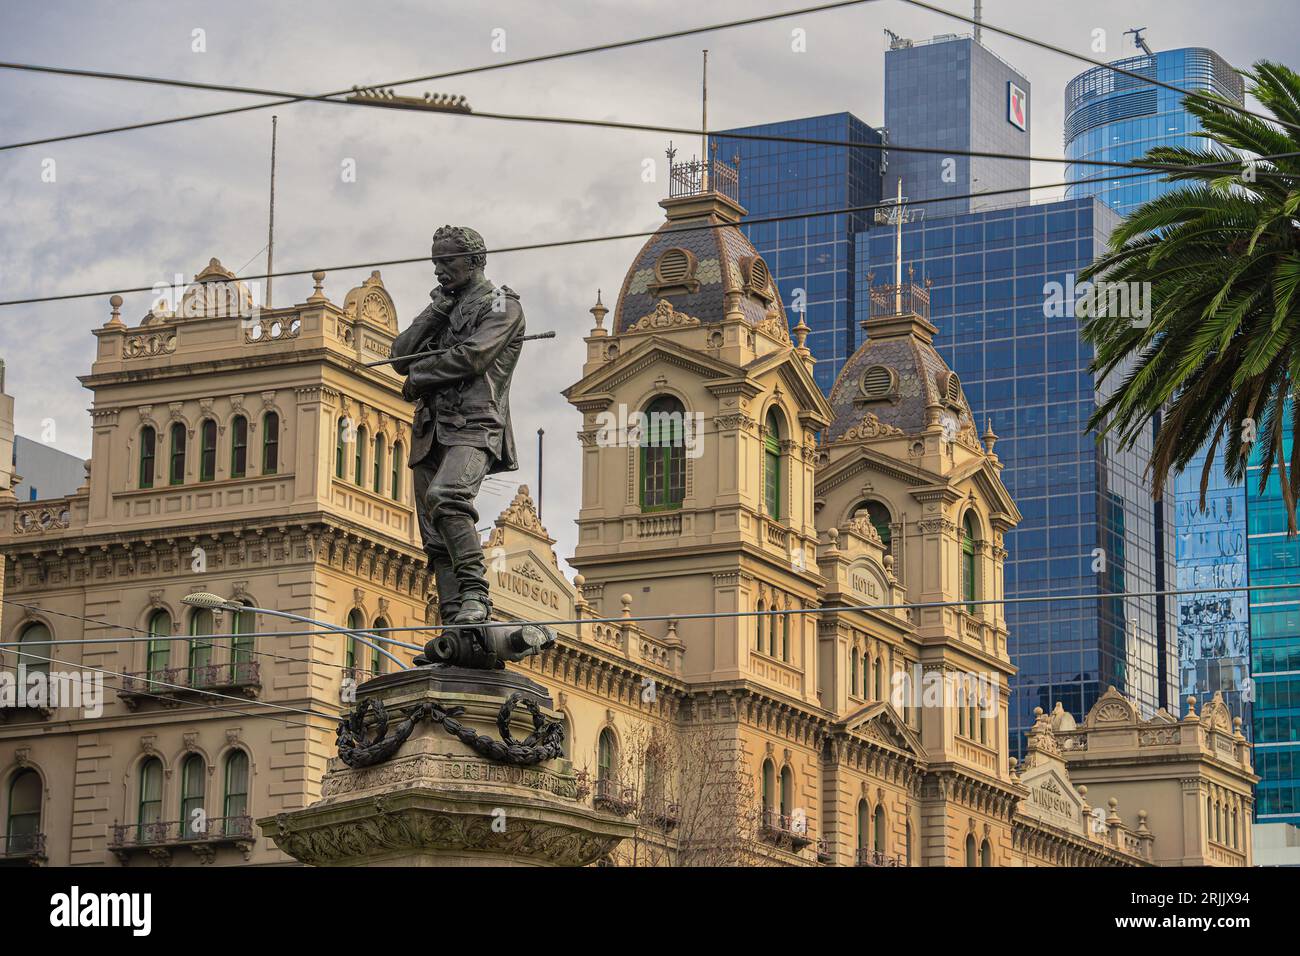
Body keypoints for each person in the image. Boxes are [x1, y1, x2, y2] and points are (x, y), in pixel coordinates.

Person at [389, 225, 523, 626]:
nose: (439, 271)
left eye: (447, 261)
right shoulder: (443, 309)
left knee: (447, 497)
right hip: (430, 432)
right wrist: (436, 311)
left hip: (475, 426)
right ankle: (454, 626)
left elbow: (472, 357)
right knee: (434, 536)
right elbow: (399, 355)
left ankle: (476, 599)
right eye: (435, 263)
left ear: (475, 260)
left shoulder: (502, 305)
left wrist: (420, 377)